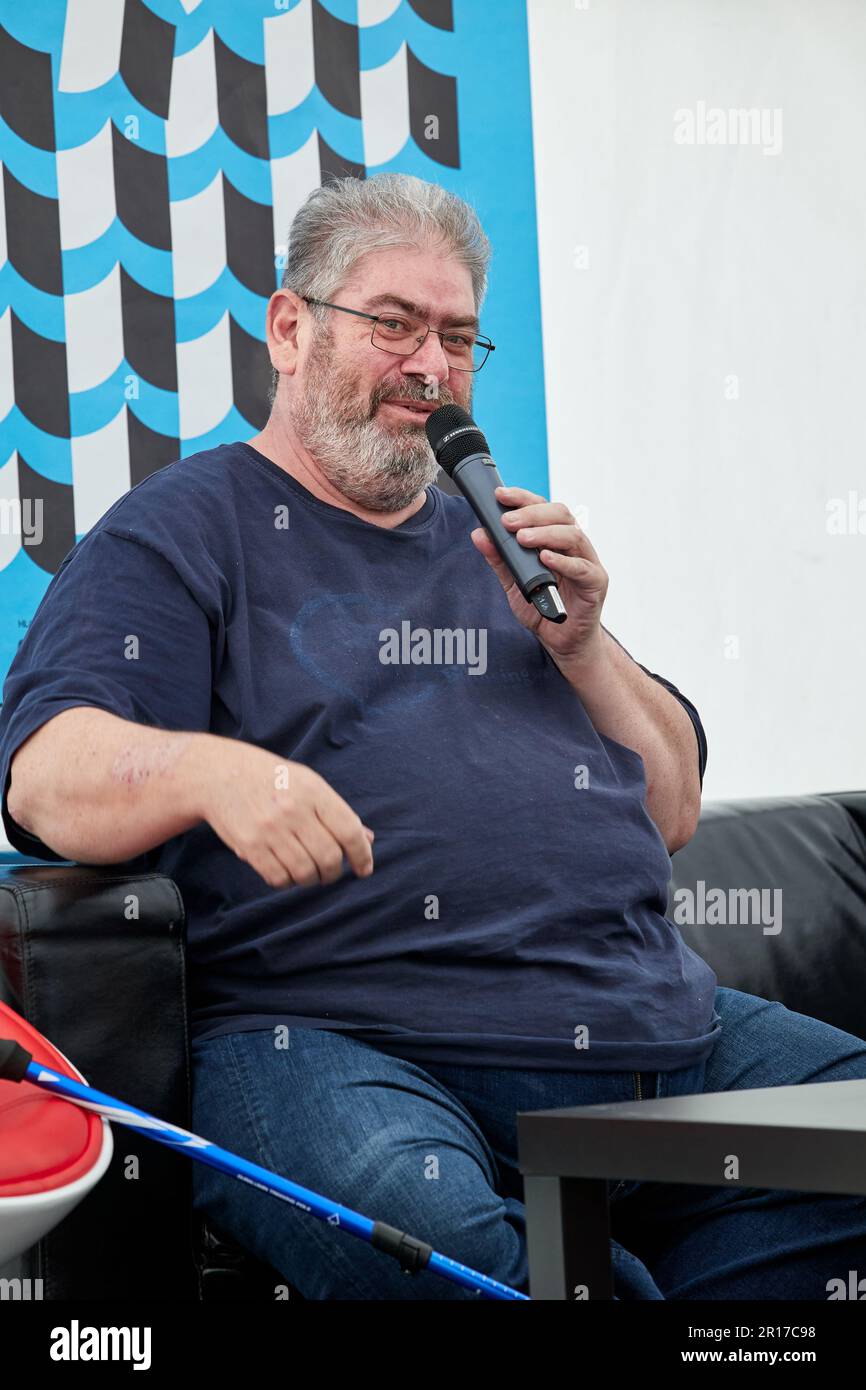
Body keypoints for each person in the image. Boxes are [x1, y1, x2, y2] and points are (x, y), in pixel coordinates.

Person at [1, 173, 864, 1301]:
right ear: (290, 327)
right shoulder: (183, 531)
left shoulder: (503, 546)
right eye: (394, 324)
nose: (430, 367)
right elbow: (43, 772)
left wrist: (585, 645)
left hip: (650, 1029)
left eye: (456, 337)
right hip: (341, 1045)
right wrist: (209, 769)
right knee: (450, 1240)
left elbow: (672, 808)